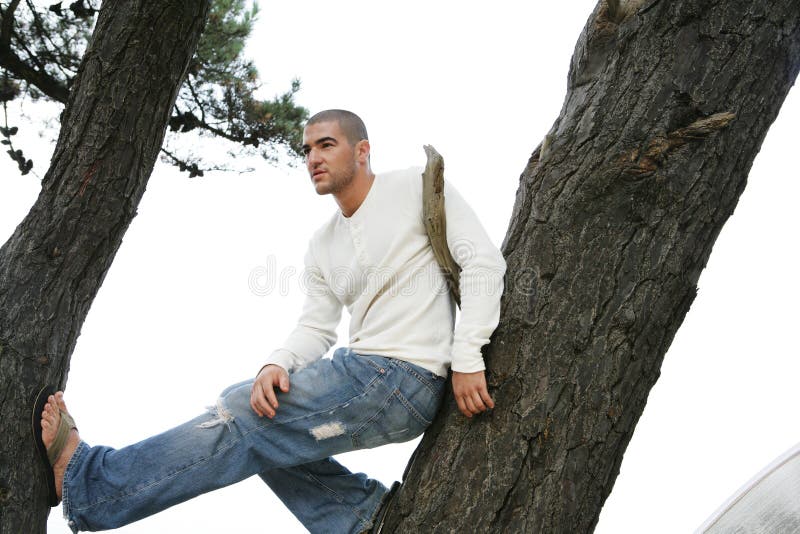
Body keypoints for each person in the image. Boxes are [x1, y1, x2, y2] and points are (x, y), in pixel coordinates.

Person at [34, 109, 506, 533]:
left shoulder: (414, 186)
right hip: (366, 374)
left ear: (362, 151)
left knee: (243, 413)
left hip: (405, 375)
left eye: (326, 145)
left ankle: (90, 484)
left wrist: (468, 357)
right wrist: (276, 363)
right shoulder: (323, 243)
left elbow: (483, 263)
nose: (313, 158)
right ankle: (358, 519)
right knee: (260, 414)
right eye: (307, 150)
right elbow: (316, 327)